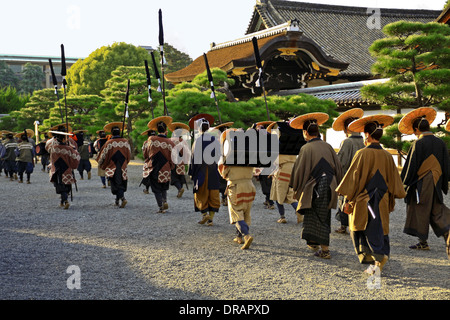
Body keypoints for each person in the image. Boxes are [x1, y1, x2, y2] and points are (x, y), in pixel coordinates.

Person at [336, 115, 406, 274]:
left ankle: (376, 259)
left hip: (363, 200)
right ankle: (380, 257)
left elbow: (352, 180)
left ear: (367, 135)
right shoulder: (388, 156)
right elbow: (395, 183)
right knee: (380, 227)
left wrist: (347, 197)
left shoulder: (362, 154)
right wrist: (390, 199)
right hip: (382, 200)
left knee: (360, 227)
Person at [398, 107, 450, 259]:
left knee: (420, 209)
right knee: (436, 208)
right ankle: (446, 230)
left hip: (421, 183)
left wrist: (405, 184)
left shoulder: (418, 144)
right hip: (436, 180)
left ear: (416, 129)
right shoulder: (440, 143)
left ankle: (423, 241)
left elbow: (411, 166)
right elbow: (446, 163)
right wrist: (443, 181)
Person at [290, 113, 343, 259]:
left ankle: (325, 250)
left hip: (315, 188)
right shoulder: (328, 146)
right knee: (322, 216)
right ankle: (314, 242)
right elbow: (338, 168)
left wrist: (296, 188)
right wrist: (339, 187)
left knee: (318, 218)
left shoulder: (306, 149)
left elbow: (299, 171)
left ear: (306, 132)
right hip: (330, 185)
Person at [218, 129, 256, 249]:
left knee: (236, 213)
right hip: (250, 186)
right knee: (245, 212)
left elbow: (224, 174)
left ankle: (246, 235)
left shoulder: (229, 158)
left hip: (235, 187)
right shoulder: (252, 155)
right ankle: (238, 237)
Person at [332, 108, 365, 234]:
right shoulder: (364, 141)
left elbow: (341, 163)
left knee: (344, 201)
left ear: (347, 128)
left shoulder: (347, 142)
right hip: (362, 177)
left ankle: (344, 225)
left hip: (347, 177)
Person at [188, 113, 221, 226]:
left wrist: (191, 172)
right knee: (213, 193)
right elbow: (219, 155)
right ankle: (211, 218)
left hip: (201, 170)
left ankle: (204, 214)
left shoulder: (197, 141)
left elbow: (193, 158)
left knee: (201, 193)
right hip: (213, 170)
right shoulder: (215, 140)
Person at [267, 121, 300, 224]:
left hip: (281, 168)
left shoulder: (277, 137)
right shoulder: (296, 137)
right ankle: (299, 212)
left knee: (278, 193)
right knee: (291, 193)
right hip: (294, 167)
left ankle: (282, 216)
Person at [141, 116, 176, 213]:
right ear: (165, 130)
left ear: (157, 129)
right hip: (166, 166)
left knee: (156, 187)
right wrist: (171, 166)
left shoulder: (151, 139)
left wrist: (147, 159)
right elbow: (174, 157)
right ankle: (164, 200)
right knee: (164, 185)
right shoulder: (170, 142)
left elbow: (146, 152)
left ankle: (161, 206)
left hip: (154, 165)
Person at [96, 122, 131, 208]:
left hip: (112, 165)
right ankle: (117, 200)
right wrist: (126, 162)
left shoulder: (109, 143)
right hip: (122, 165)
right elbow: (129, 154)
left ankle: (122, 198)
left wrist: (101, 163)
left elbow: (103, 155)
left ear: (111, 133)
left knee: (115, 183)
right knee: (121, 181)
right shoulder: (125, 142)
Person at [46, 129, 80, 209]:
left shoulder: (53, 148)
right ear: (64, 139)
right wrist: (73, 149)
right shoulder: (69, 148)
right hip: (66, 169)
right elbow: (76, 157)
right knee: (66, 185)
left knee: (60, 186)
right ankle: (65, 200)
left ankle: (64, 201)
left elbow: (51, 157)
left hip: (56, 169)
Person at [252, 121, 275, 210]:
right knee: (266, 182)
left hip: (263, 163)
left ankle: (270, 202)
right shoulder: (270, 137)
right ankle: (267, 199)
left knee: (266, 183)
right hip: (270, 162)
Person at [168, 122, 191, 199]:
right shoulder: (183, 141)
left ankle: (179, 189)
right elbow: (187, 152)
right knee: (180, 176)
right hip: (181, 161)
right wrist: (187, 161)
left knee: (174, 177)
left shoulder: (170, 140)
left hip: (172, 160)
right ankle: (180, 190)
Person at [140, 128, 157, 194]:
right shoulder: (159, 142)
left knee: (147, 175)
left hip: (149, 161)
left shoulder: (146, 143)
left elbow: (144, 153)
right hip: (158, 161)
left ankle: (147, 189)